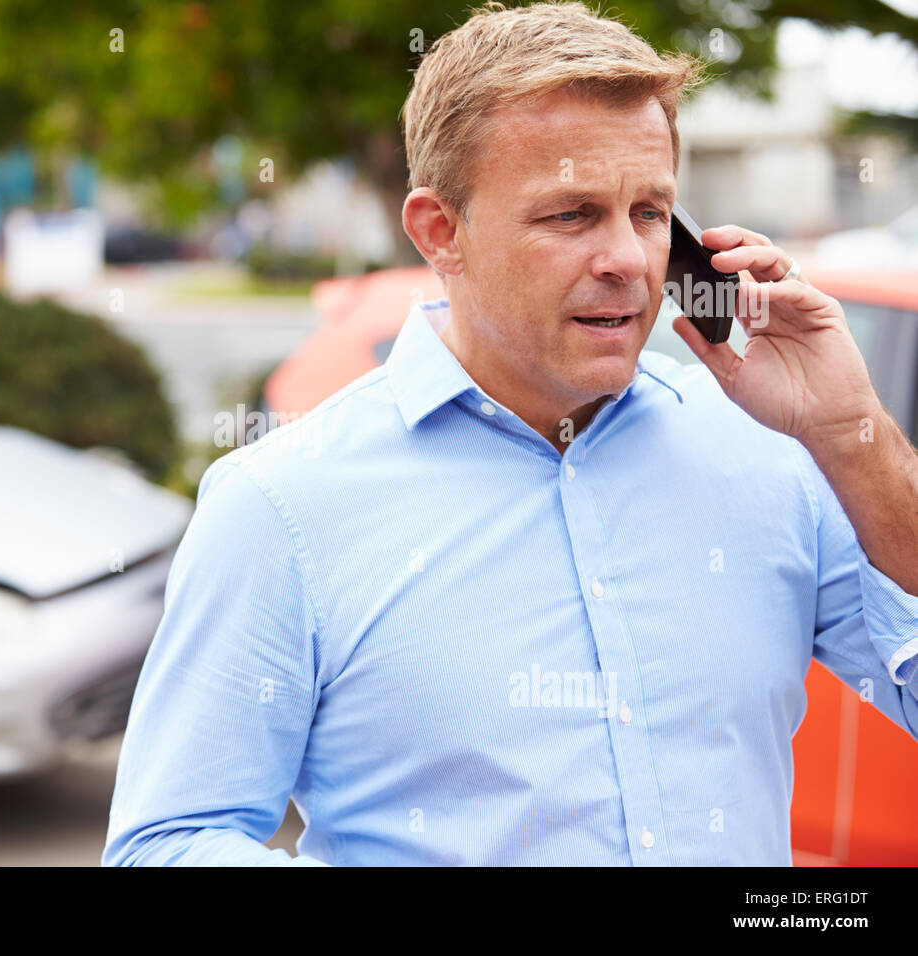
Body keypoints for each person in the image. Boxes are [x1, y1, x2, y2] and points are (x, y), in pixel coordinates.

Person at [103, 2, 918, 866]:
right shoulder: (281, 507)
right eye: (570, 215)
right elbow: (168, 843)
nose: (628, 260)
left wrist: (849, 434)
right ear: (439, 232)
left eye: (648, 212)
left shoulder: (775, 455)